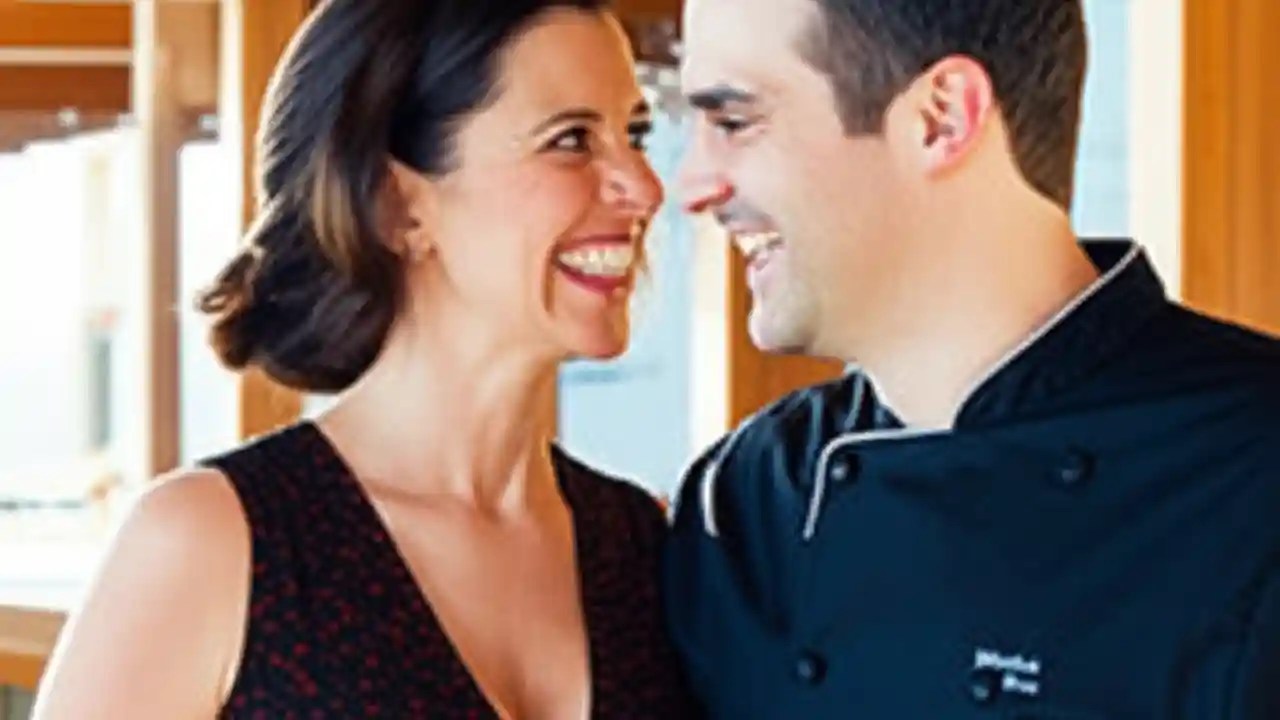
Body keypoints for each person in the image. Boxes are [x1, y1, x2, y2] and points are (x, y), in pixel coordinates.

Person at [33, 0, 701, 717]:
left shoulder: (639, 549)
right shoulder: (213, 544)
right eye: (571, 139)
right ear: (397, 205)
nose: (645, 186)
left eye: (635, 134)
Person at [663, 0, 1280, 717]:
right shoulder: (742, 503)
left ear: (941, 119)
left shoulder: (1255, 474)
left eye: (735, 123)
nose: (693, 187)